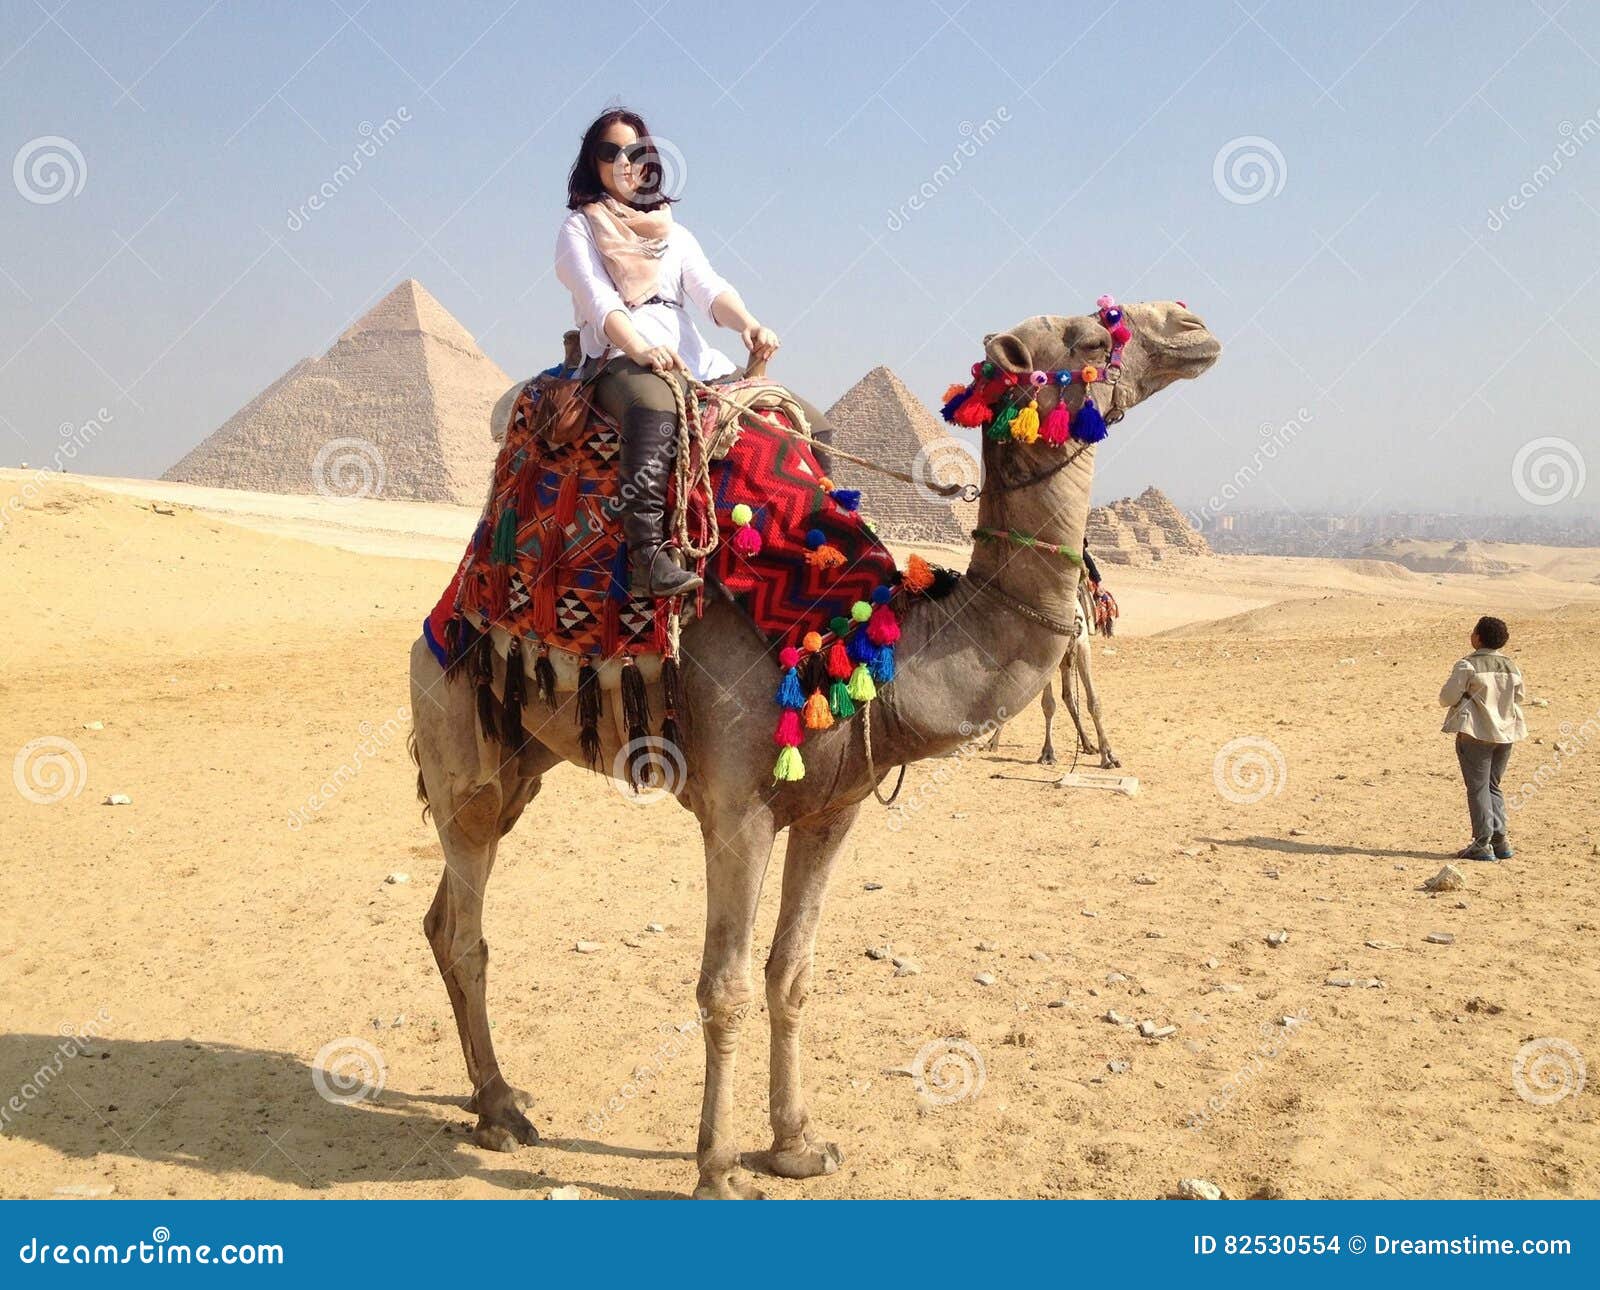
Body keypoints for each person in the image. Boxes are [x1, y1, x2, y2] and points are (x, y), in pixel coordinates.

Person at [554, 107, 834, 598]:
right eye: (609, 152)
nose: (623, 162)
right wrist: (642, 349)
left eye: (633, 152)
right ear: (592, 163)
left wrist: (749, 324)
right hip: (621, 355)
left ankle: (816, 538)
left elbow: (709, 291)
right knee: (658, 406)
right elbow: (598, 301)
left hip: (695, 358)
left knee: (810, 420)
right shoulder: (580, 227)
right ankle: (649, 556)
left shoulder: (673, 233)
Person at [1438, 615, 1527, 860]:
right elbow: (1518, 697)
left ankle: (1481, 843)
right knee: (1493, 786)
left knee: (1477, 788)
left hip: (1476, 734)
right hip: (1505, 734)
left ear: (1478, 637)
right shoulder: (1512, 666)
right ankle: (1501, 841)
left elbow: (1446, 697)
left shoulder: (1467, 665)